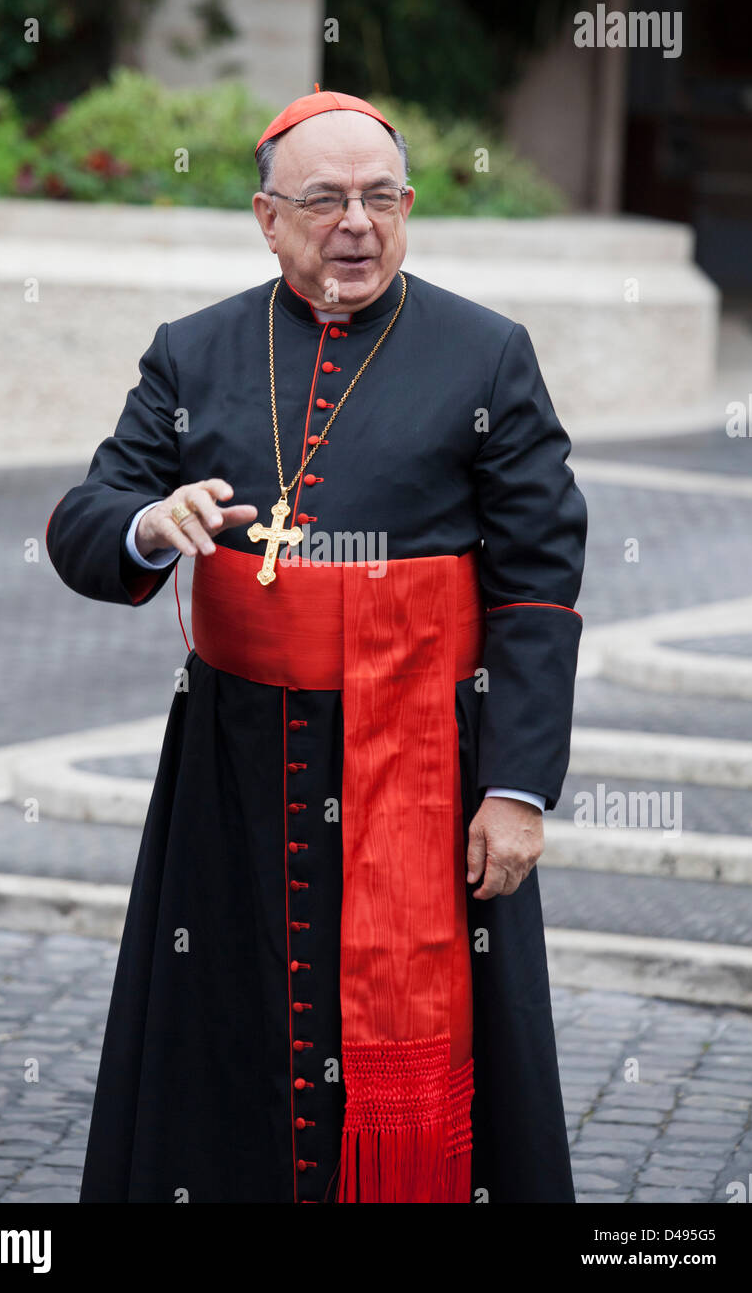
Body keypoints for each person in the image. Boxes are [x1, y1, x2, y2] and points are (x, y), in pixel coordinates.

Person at [46, 88, 587, 1205]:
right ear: (265, 216)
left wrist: (519, 787)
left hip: (428, 763)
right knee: (229, 1024)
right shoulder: (193, 354)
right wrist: (153, 524)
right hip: (235, 766)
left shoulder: (485, 356)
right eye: (325, 198)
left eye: (381, 198)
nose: (356, 223)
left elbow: (536, 584)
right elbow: (91, 513)